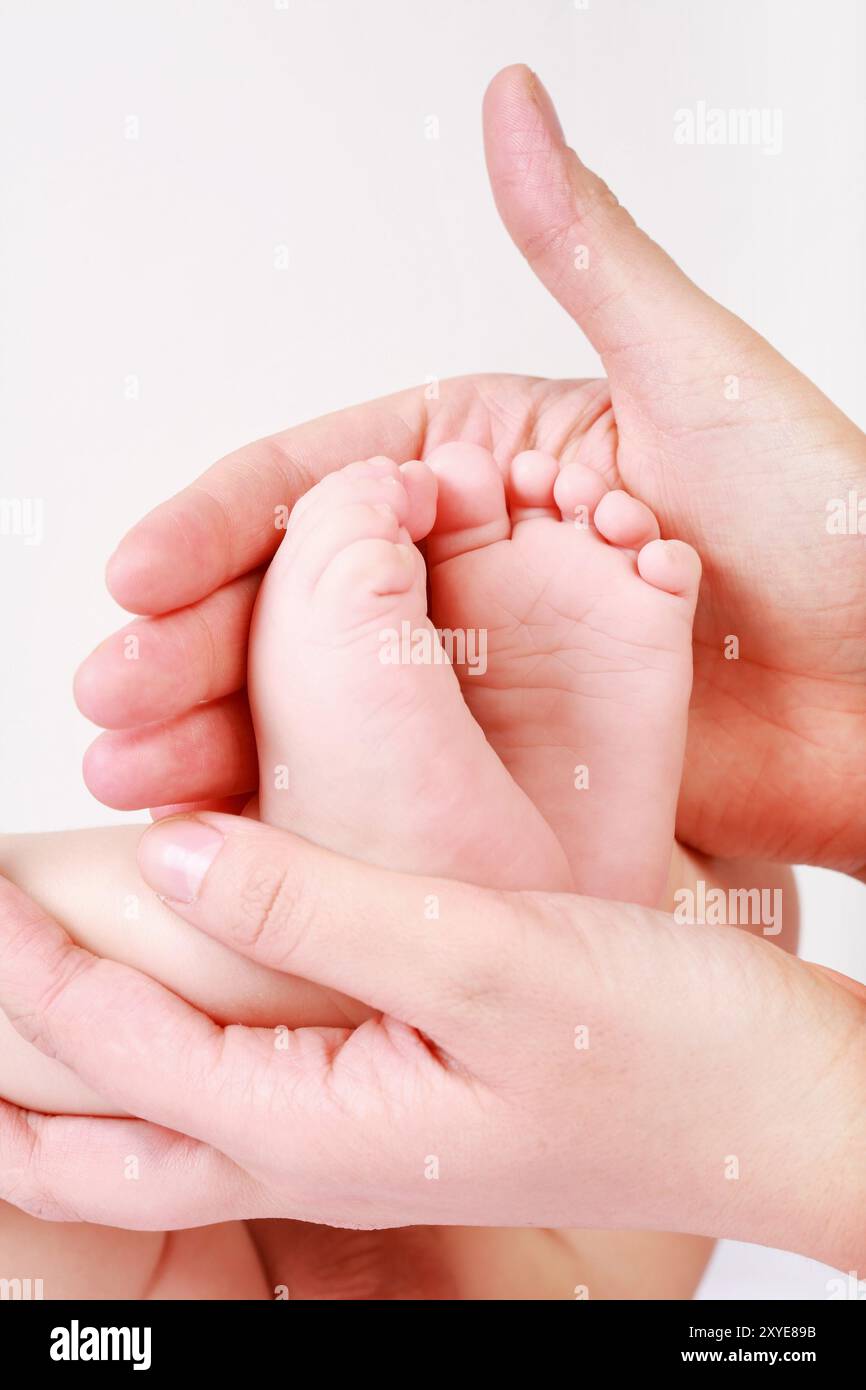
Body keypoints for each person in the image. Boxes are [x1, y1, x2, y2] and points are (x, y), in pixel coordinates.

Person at [0, 64, 863, 1298]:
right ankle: (475, 924)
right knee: (713, 944)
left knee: (95, 1191)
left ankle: (456, 929)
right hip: (550, 1206)